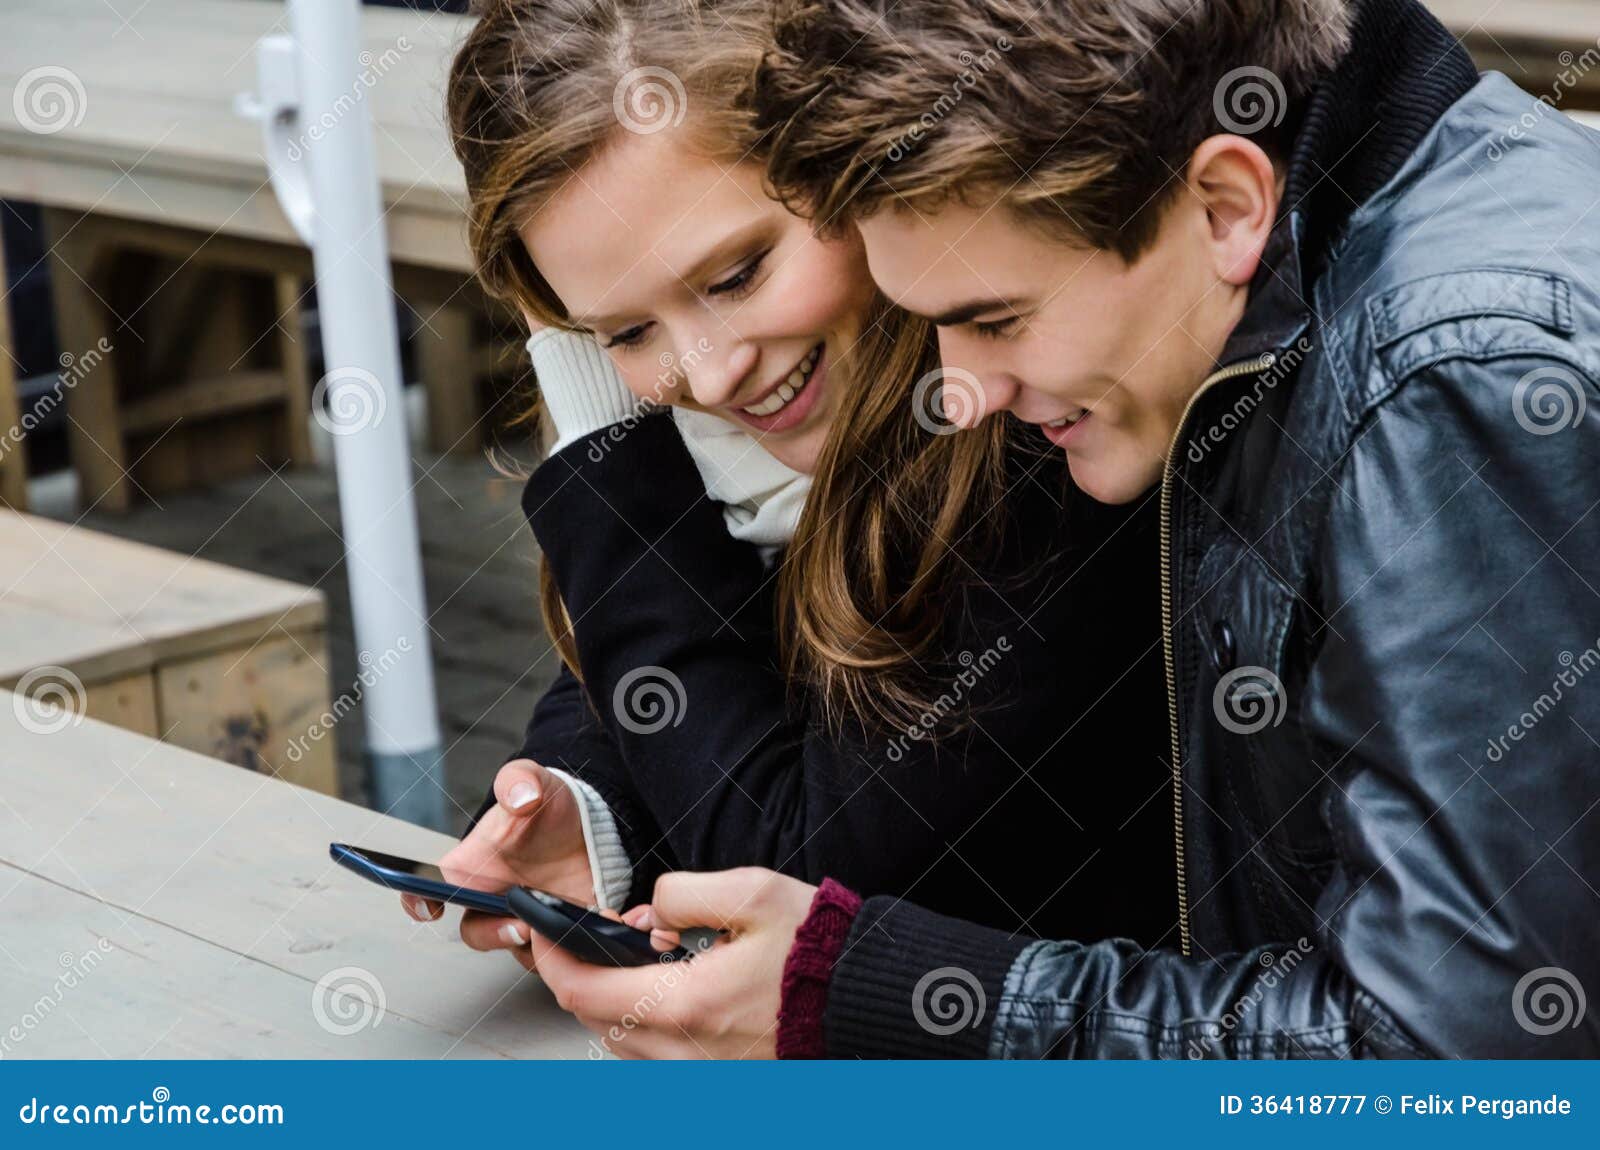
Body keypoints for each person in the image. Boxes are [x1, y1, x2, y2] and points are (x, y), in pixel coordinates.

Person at [525, 0, 1600, 1058]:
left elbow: (1448, 1066)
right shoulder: (1282, 280)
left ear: (1227, 206)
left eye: (992, 319)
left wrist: (875, 996)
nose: (963, 392)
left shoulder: (1460, 383)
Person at [401, 0, 1178, 969]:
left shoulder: (1030, 427)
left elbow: (800, 871)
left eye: (736, 276)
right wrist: (588, 815)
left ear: (850, 164)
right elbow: (653, 687)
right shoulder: (731, 431)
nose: (713, 370)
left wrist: (610, 450)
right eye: (624, 334)